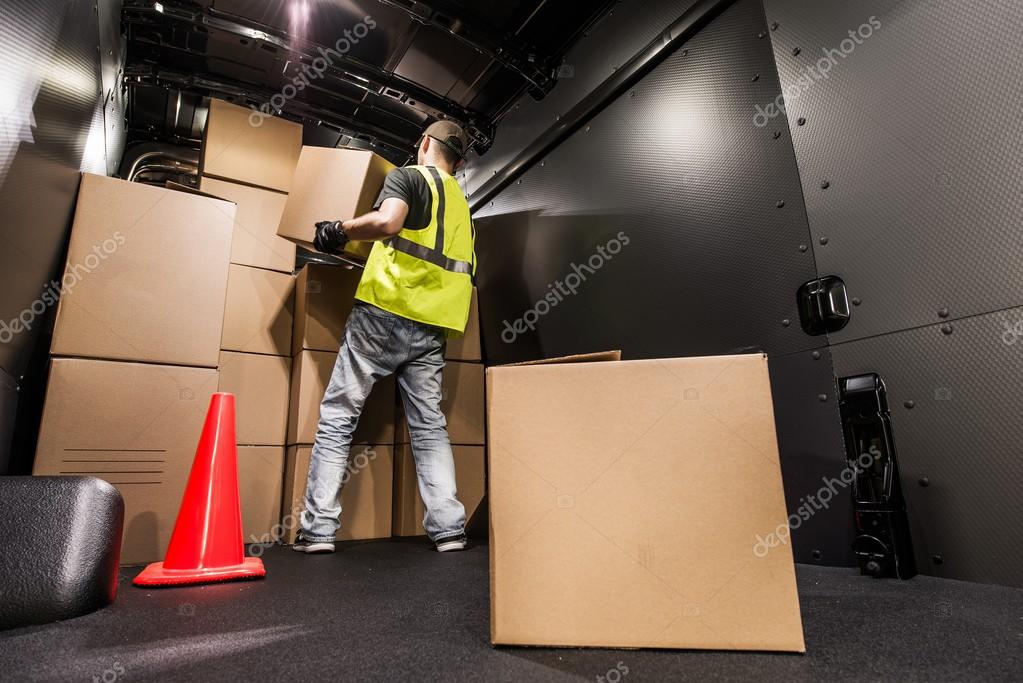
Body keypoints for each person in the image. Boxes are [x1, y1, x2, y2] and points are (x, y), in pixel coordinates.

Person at [292, 121, 476, 555]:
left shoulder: (410, 176)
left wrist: (338, 230)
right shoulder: (464, 209)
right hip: (432, 327)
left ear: (425, 143)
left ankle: (318, 531)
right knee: (429, 426)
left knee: (339, 416)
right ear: (459, 162)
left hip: (384, 312)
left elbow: (389, 222)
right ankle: (449, 529)